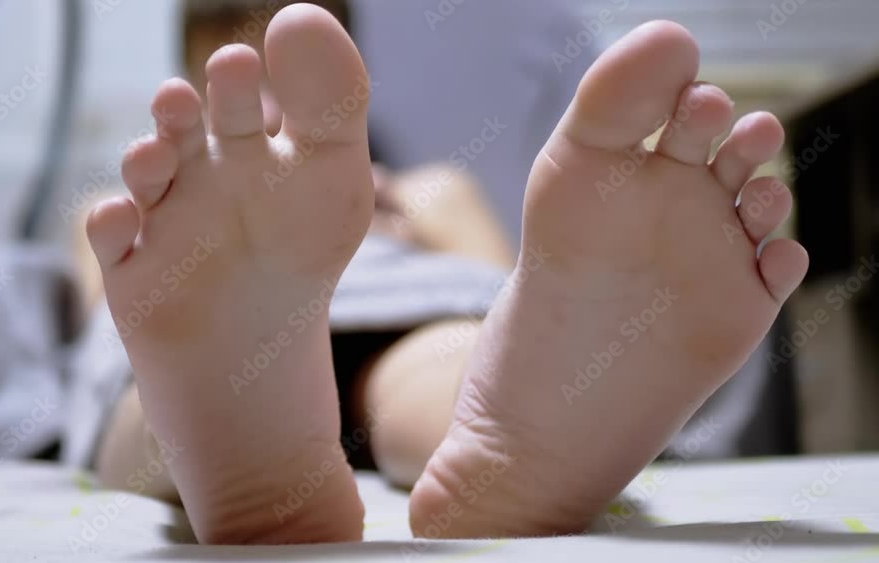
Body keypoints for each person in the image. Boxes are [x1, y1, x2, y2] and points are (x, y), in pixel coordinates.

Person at [83, 1, 807, 544]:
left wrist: (386, 212)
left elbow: (516, 305)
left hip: (405, 302)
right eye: (232, 76)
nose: (268, 107)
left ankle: (502, 456)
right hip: (214, 320)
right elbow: (105, 324)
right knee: (157, 388)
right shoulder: (154, 199)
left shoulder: (427, 189)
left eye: (286, 81)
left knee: (453, 363)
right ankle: (219, 446)